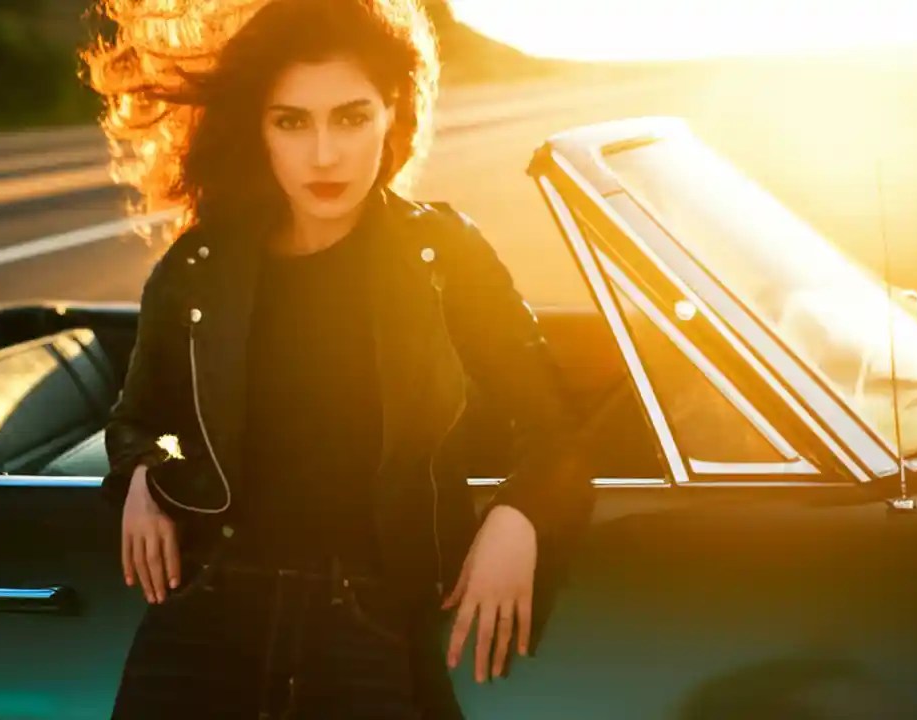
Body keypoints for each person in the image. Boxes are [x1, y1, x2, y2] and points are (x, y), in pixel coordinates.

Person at [86, 0, 593, 716]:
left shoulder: (440, 255)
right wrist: (146, 471)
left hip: (371, 621)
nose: (325, 155)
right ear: (259, 130)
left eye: (351, 117)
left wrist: (519, 517)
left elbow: (556, 432)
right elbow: (144, 421)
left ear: (393, 113)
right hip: (209, 618)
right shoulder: (202, 264)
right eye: (291, 121)